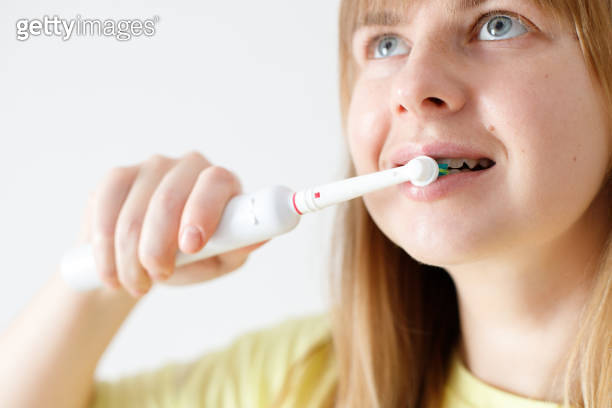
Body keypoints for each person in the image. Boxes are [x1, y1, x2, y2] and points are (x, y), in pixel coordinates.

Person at [1, 0, 610, 407]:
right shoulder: (306, 381)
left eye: (498, 23)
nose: (412, 87)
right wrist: (110, 274)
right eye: (387, 42)